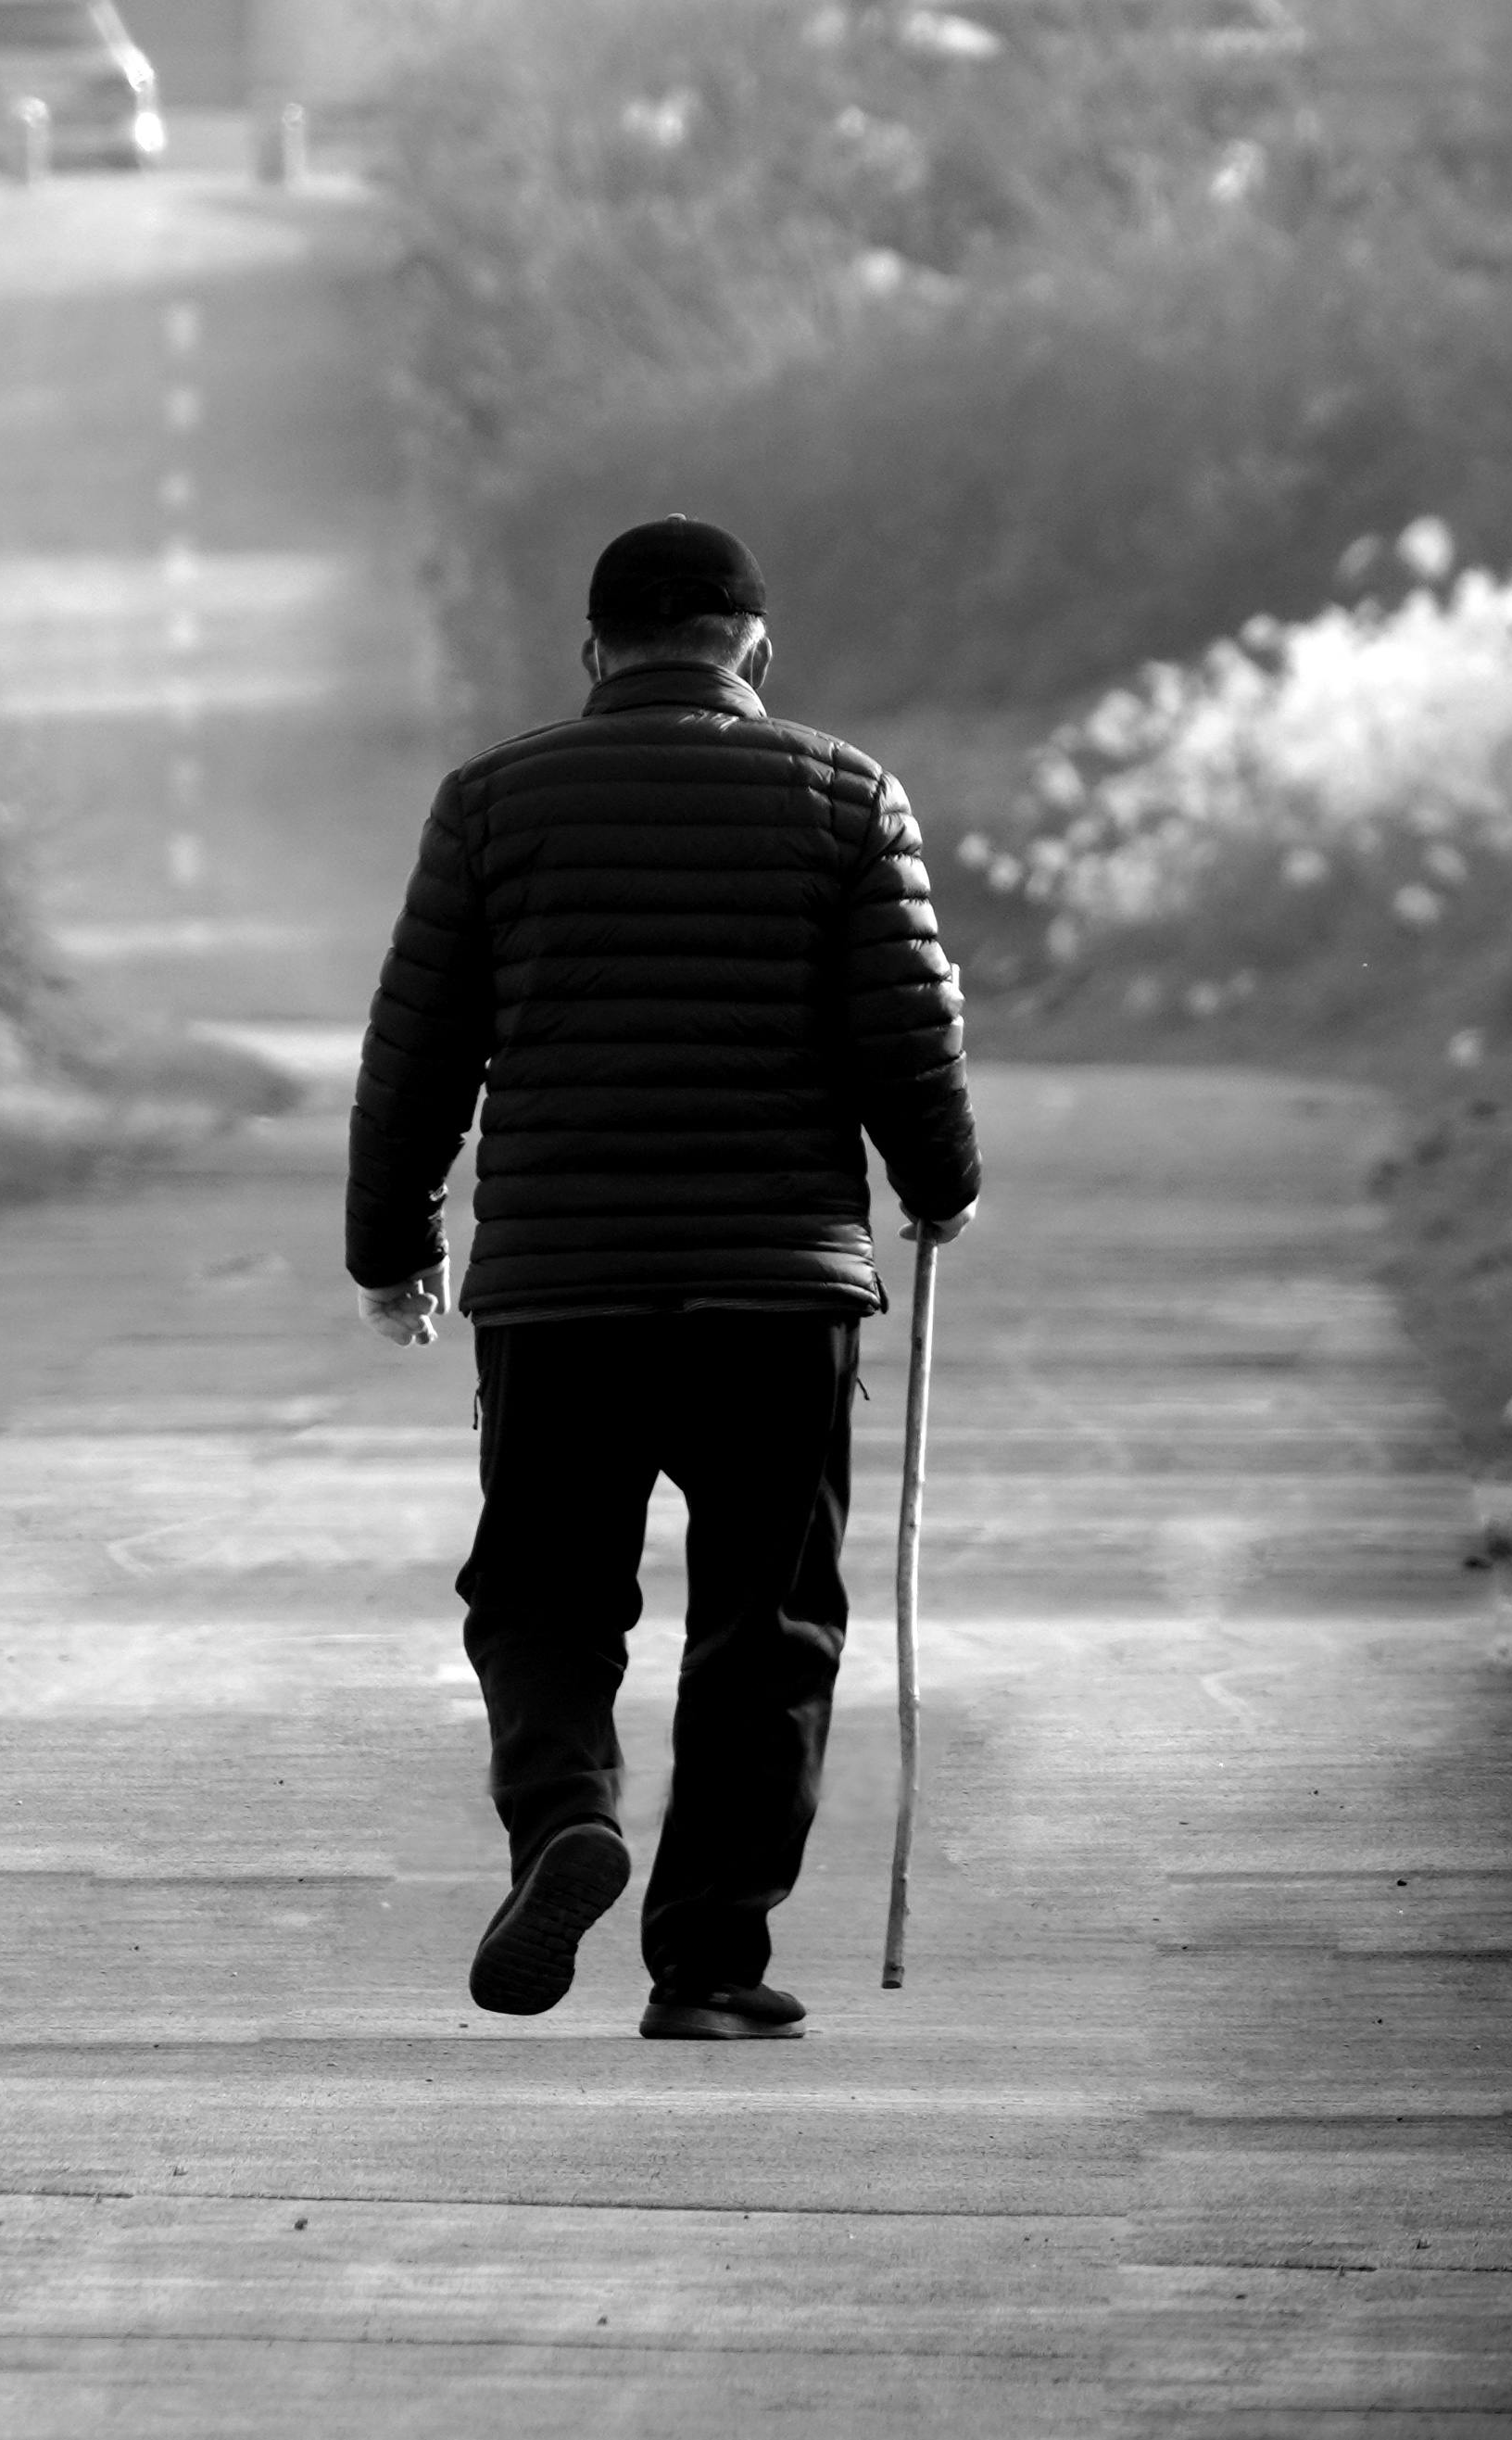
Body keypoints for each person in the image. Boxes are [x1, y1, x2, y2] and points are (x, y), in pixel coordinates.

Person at [344, 514, 982, 2042]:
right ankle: (705, 1964)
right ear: (754, 645)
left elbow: (416, 1046)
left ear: (592, 649)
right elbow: (905, 1027)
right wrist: (939, 1180)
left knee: (543, 1590)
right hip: (779, 1290)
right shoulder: (845, 793)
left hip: (561, 1287)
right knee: (767, 1620)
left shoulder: (491, 801)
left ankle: (567, 1809)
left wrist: (393, 1247)